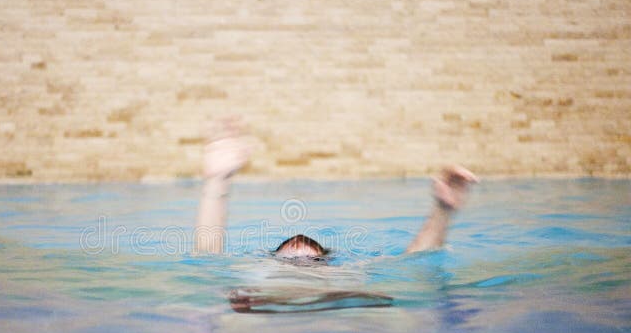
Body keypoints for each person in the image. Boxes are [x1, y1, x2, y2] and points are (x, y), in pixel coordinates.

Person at [195, 118, 479, 258]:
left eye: (310, 264)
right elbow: (208, 267)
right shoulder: (255, 289)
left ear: (331, 270)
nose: (299, 267)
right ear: (269, 268)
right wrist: (216, 184)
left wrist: (442, 212)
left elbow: (414, 268)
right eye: (290, 264)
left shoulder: (347, 285)